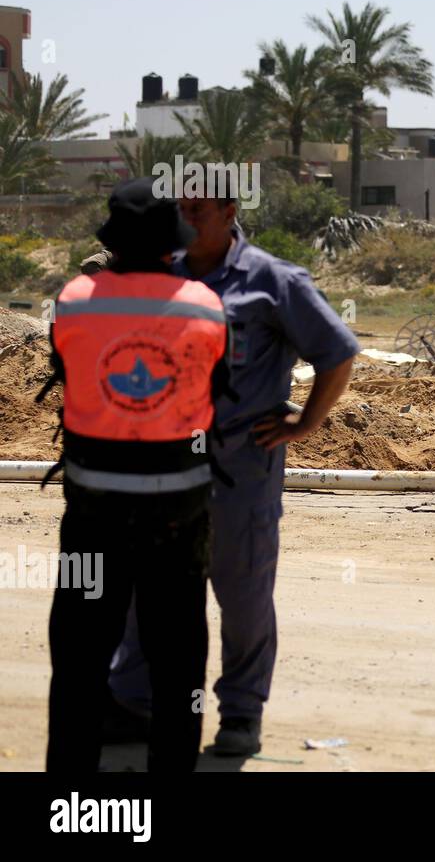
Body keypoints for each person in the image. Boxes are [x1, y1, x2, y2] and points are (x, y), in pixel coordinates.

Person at [108, 188, 358, 757]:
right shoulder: (159, 276)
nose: (187, 218)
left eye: (199, 209)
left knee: (242, 597)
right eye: (180, 210)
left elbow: (337, 353)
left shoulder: (275, 282)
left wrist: (306, 422)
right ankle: (132, 704)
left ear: (230, 212)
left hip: (239, 471)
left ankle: (241, 714)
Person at [46, 179, 228, 772]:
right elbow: (212, 388)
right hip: (177, 521)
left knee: (78, 662)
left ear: (114, 242)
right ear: (171, 243)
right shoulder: (205, 304)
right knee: (178, 667)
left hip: (92, 519)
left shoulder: (74, 300)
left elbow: (69, 369)